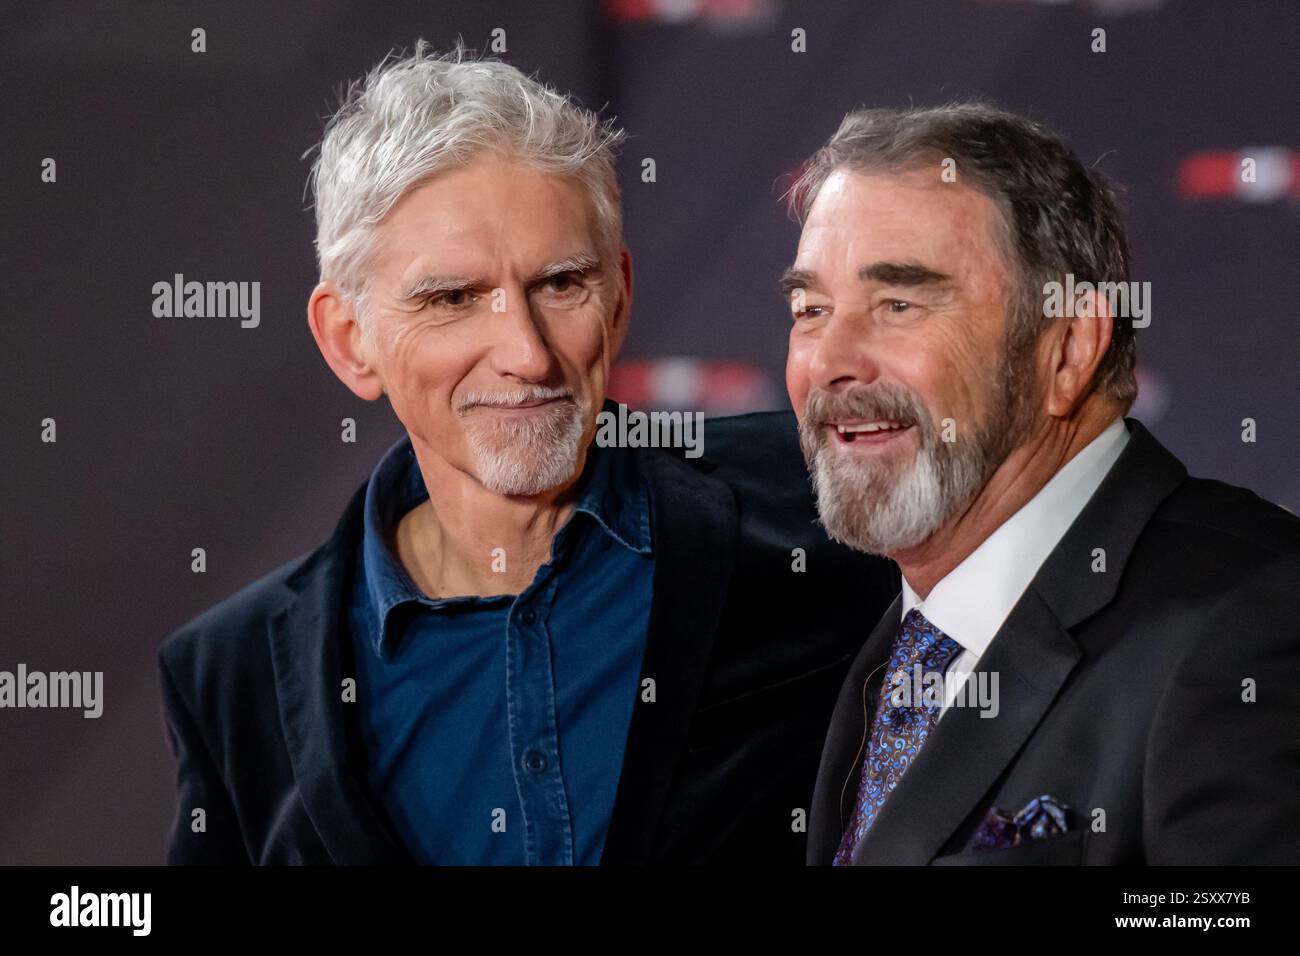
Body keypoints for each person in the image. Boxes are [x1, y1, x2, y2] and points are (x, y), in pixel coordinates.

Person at [156, 43, 896, 865]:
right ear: (349, 340)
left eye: (560, 284)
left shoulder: (822, 493)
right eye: (453, 298)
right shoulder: (234, 674)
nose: (527, 354)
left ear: (617, 297)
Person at [782, 103, 1300, 865]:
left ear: (1068, 349)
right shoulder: (887, 633)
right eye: (810, 309)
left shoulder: (1253, 619)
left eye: (898, 304)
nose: (831, 360)